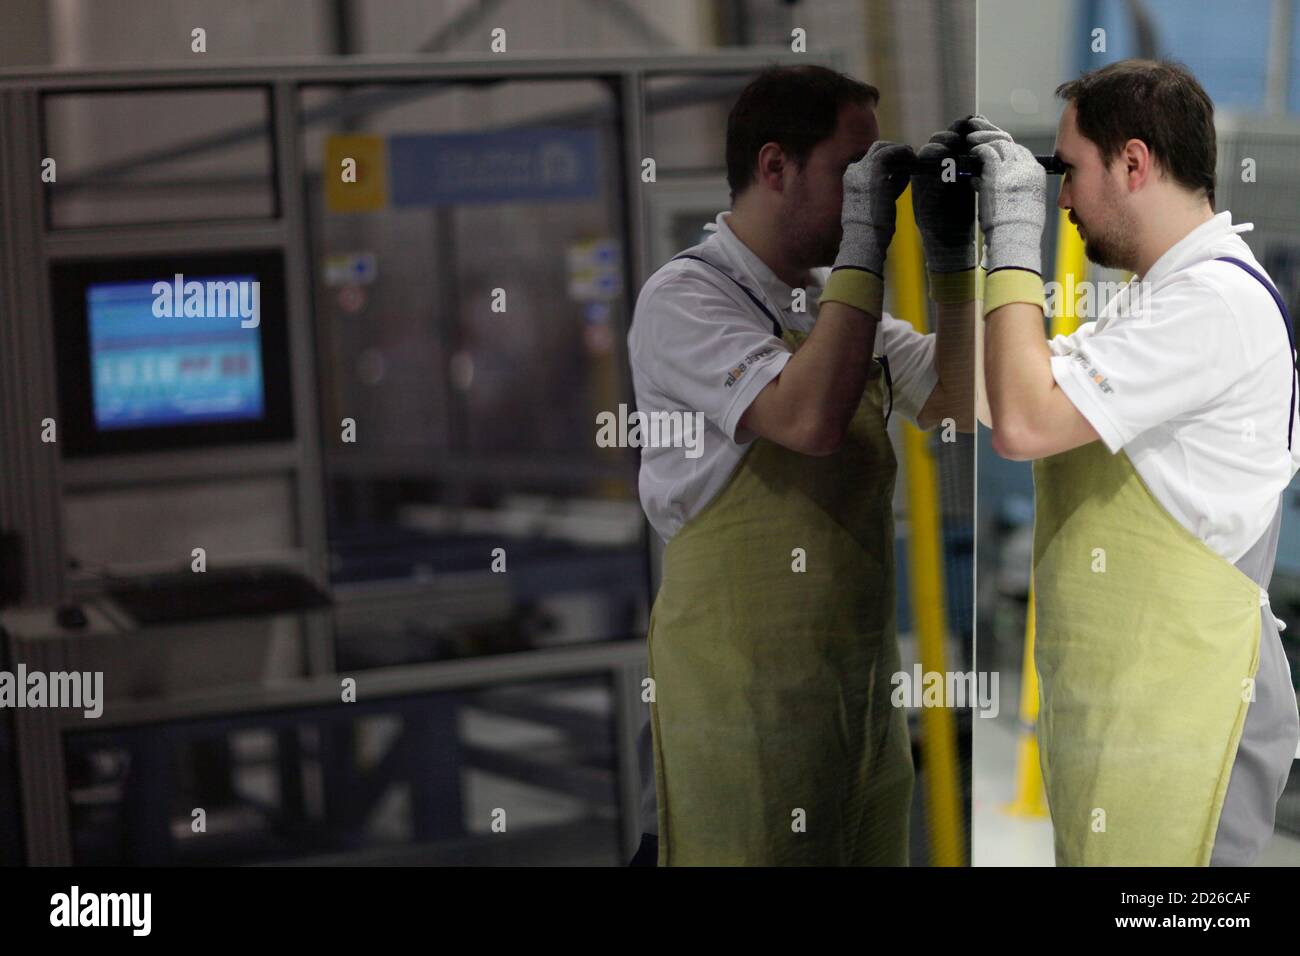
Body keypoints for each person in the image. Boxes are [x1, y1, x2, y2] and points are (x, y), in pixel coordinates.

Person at [625, 64, 974, 865]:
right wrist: (866, 244)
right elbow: (807, 418)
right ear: (774, 166)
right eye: (853, 177)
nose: (869, 202)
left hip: (846, 712)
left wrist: (955, 256)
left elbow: (959, 400)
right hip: (737, 718)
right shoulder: (685, 298)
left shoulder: (828, 310)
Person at [973, 58, 1300, 865]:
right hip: (1145, 719)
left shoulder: (1210, 305)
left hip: (1190, 724)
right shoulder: (1156, 302)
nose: (1061, 200)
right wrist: (950, 261)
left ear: (1133, 162)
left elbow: (1020, 422)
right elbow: (994, 391)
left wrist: (1013, 240)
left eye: (1066, 173)